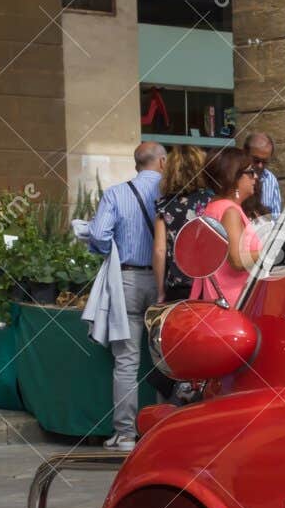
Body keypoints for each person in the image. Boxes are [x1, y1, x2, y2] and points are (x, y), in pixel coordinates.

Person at [87, 141, 165, 450]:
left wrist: (113, 252)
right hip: (162, 282)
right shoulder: (172, 194)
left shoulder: (116, 193)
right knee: (166, 360)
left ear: (137, 164)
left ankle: (125, 434)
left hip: (127, 280)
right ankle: (165, 428)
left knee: (126, 361)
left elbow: (97, 234)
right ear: (161, 163)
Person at [193, 147, 264, 306]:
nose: (255, 177)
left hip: (220, 297)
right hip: (235, 299)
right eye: (250, 172)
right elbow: (238, 260)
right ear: (234, 176)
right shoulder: (229, 211)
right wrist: (274, 249)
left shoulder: (213, 207)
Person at [152, 145, 212, 304]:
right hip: (207, 284)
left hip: (178, 285)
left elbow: (159, 250)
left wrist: (160, 292)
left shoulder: (165, 206)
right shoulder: (211, 202)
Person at [244, 131, 283, 215]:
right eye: (256, 160)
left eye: (265, 162)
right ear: (245, 153)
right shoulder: (233, 175)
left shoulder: (271, 180)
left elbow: (275, 217)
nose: (260, 166)